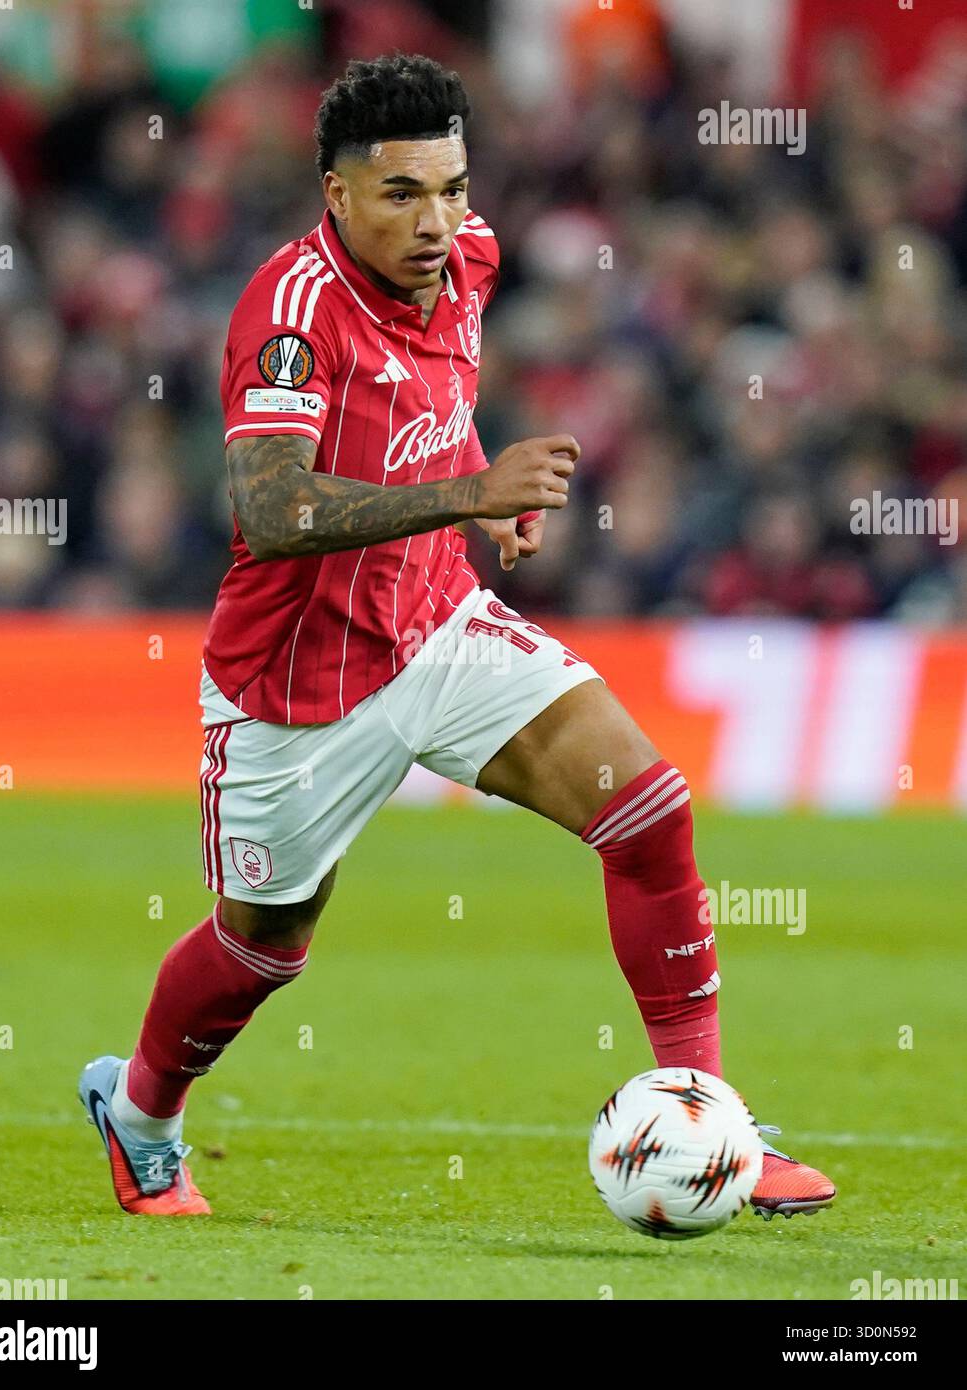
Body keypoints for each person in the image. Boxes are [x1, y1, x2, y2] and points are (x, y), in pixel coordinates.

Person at [79, 53, 834, 1222]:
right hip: (296, 689)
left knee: (649, 811)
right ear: (335, 195)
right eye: (401, 195)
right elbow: (272, 512)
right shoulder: (287, 319)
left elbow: (433, 405)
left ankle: (709, 1117)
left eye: (452, 188)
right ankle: (140, 1112)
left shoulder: (469, 258)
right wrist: (470, 492)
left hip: (438, 623)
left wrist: (490, 498)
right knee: (264, 949)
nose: (437, 221)